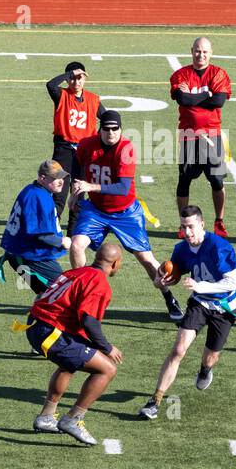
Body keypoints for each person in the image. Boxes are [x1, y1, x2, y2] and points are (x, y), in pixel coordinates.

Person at [70, 109, 183, 320]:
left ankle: (169, 297)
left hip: (125, 211)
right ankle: (80, 295)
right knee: (76, 246)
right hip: (95, 209)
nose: (111, 133)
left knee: (146, 259)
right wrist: (74, 192)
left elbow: (122, 188)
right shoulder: (87, 144)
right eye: (107, 129)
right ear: (100, 129)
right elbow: (77, 163)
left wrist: (89, 187)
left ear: (121, 130)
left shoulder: (126, 148)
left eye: (116, 129)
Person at [139, 205, 236, 420]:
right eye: (183, 227)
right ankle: (155, 401)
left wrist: (201, 286)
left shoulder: (219, 246)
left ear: (202, 224)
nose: (187, 233)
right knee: (178, 350)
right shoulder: (181, 249)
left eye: (191, 227)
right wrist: (161, 281)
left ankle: (205, 370)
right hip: (199, 303)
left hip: (224, 307)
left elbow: (232, 283)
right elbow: (174, 274)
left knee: (210, 357)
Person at [24, 243, 125, 447]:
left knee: (71, 362)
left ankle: (46, 416)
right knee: (107, 369)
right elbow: (89, 322)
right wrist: (107, 347)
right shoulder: (99, 282)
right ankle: (74, 418)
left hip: (36, 325)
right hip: (51, 332)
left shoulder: (78, 271)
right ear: (115, 264)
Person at [170, 37, 232, 238]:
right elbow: (182, 99)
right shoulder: (181, 74)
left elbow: (220, 101)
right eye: (197, 51)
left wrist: (195, 99)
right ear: (191, 51)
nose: (201, 55)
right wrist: (207, 95)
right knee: (184, 178)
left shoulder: (218, 73)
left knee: (216, 179)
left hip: (212, 133)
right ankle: (183, 224)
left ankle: (219, 221)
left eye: (205, 52)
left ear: (211, 53)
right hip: (189, 134)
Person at [0, 159, 72, 292]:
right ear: (42, 178)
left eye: (62, 178)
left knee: (46, 293)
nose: (61, 182)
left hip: (19, 255)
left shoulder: (32, 189)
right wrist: (63, 241)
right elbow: (42, 236)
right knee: (64, 289)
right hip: (29, 257)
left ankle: (38, 312)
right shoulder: (39, 198)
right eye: (55, 178)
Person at [45, 61, 100, 223]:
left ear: (85, 78)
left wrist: (97, 138)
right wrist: (69, 74)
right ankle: (50, 232)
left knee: (78, 196)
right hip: (64, 149)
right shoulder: (61, 95)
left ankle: (72, 236)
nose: (76, 82)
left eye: (80, 78)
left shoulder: (93, 99)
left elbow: (107, 118)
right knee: (59, 195)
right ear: (68, 80)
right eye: (73, 79)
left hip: (83, 153)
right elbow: (50, 85)